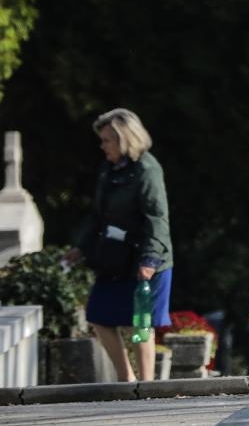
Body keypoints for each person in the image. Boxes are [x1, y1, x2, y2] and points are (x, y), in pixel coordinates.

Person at [67, 109, 173, 382]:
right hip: (115, 258)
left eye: (106, 140)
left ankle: (146, 386)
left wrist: (149, 260)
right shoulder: (109, 170)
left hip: (147, 260)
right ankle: (127, 380)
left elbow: (156, 219)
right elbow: (98, 215)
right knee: (99, 315)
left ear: (124, 138)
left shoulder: (147, 170)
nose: (102, 147)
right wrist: (81, 246)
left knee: (140, 323)